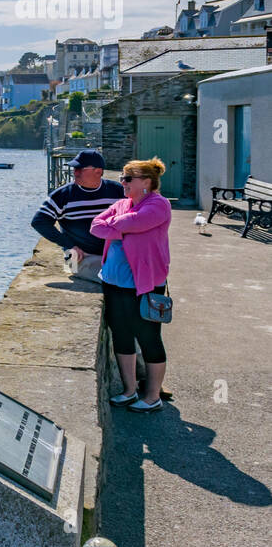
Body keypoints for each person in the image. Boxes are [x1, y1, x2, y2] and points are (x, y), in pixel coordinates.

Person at [91, 158, 172, 413]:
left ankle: (152, 396)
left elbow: (132, 223)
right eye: (122, 178)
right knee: (122, 335)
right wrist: (122, 227)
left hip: (143, 284)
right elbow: (96, 227)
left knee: (148, 337)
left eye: (128, 178)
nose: (122, 183)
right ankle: (129, 390)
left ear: (146, 182)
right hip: (113, 281)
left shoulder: (159, 205)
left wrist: (116, 227)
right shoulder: (123, 204)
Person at [31, 150, 124, 282]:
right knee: (115, 278)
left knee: (141, 272)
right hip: (77, 258)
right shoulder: (62, 195)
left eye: (80, 169)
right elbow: (39, 222)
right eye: (74, 169)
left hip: (112, 254)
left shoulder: (118, 191)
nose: (75, 173)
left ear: (98, 171)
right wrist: (68, 245)